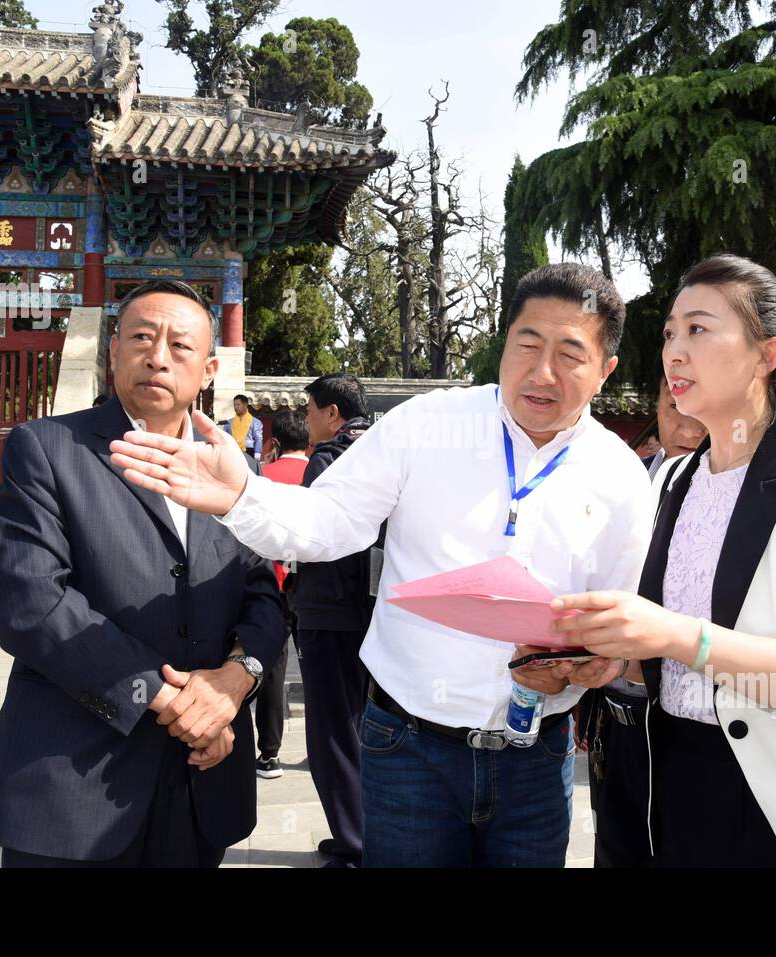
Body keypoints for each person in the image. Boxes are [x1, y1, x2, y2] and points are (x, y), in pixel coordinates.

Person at [110, 263, 655, 868]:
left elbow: (617, 625)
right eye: (527, 344)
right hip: (407, 748)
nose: (541, 371)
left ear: (605, 370)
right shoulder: (427, 426)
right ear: (504, 343)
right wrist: (241, 496)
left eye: (570, 354)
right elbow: (328, 521)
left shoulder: (623, 479)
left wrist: (581, 669)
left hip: (536, 755)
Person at [549, 253, 776, 866]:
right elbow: (660, 645)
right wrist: (611, 656)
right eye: (669, 332)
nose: (674, 351)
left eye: (698, 329)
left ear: (767, 356)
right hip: (666, 779)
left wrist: (678, 637)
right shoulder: (670, 478)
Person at [0, 279, 286, 867]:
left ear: (209, 368)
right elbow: (31, 603)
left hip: (202, 780)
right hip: (75, 780)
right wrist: (181, 704)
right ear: (113, 349)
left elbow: (264, 594)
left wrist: (235, 680)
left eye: (180, 346)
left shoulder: (232, 470)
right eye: (142, 338)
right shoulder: (47, 448)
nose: (158, 357)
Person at [580, 373, 706, 867]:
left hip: (690, 710)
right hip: (618, 700)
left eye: (697, 414)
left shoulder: (734, 493)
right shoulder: (625, 482)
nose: (687, 428)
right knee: (616, 842)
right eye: (672, 411)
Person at [289, 372, 375, 868]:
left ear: (332, 413)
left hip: (328, 609)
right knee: (364, 726)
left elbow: (309, 532)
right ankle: (362, 830)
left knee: (331, 731)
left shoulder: (326, 460)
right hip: (372, 610)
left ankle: (354, 843)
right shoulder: (379, 451)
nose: (306, 420)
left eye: (309, 410)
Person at [254, 410, 311, 779]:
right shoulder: (320, 474)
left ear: (274, 443)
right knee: (315, 669)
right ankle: (321, 751)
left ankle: (269, 754)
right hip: (311, 586)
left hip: (273, 583)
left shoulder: (262, 477)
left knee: (273, 671)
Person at [225, 394, 265, 463]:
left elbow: (258, 438)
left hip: (248, 451)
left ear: (245, 405)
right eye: (234, 405)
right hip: (233, 451)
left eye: (238, 405)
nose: (235, 407)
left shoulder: (255, 422)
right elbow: (226, 438)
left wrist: (257, 452)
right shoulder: (229, 423)